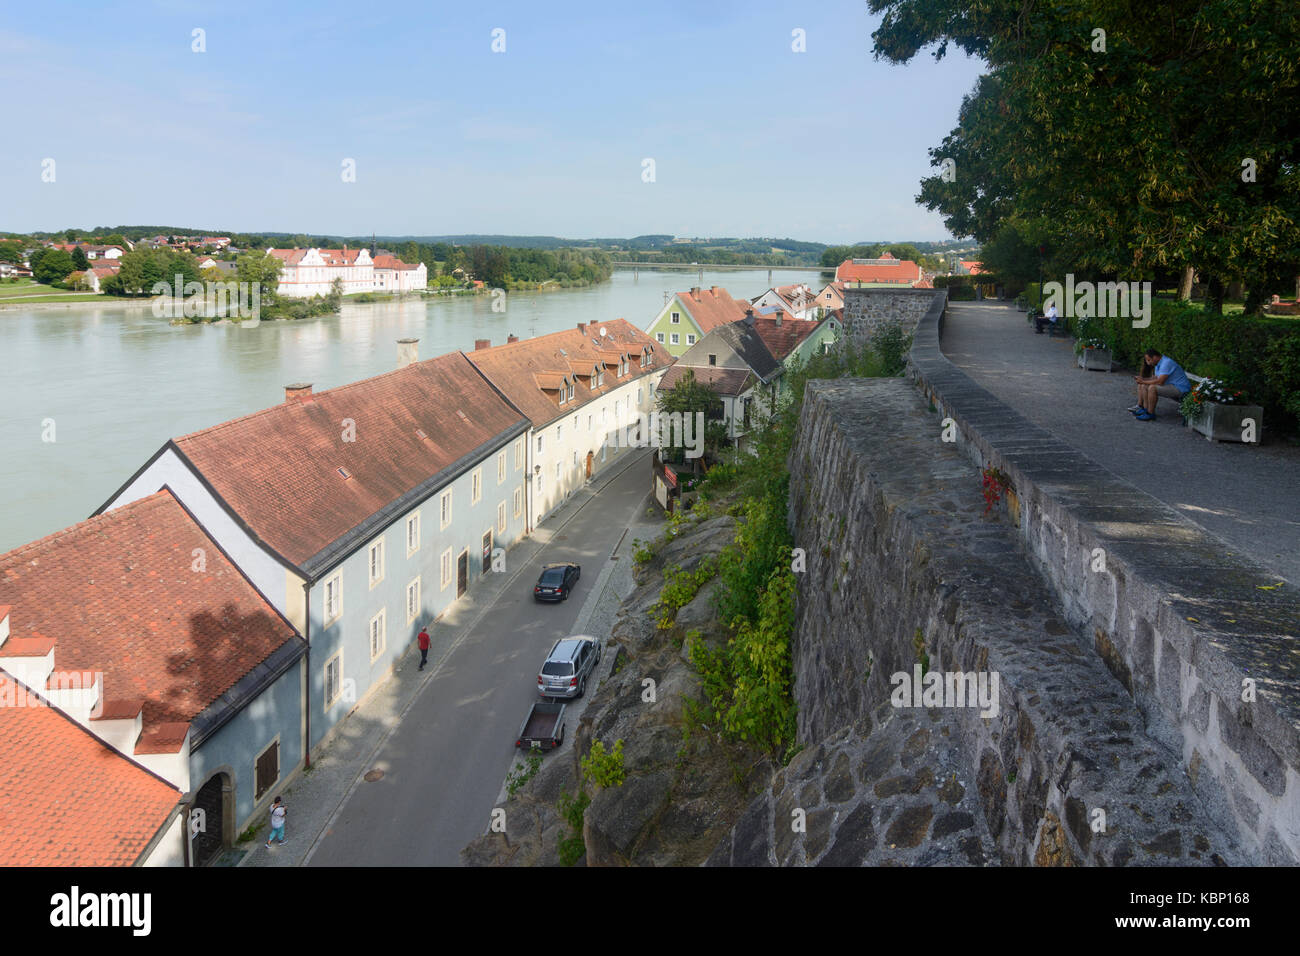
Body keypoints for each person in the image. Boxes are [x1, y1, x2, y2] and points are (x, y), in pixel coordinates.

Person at [1131, 348, 1192, 421]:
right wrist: (1143, 380)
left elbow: (1160, 382)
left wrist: (1143, 381)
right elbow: (1156, 378)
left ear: (1155, 357)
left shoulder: (1166, 363)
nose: (1148, 363)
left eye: (1149, 360)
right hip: (1171, 385)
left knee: (1152, 388)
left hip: (1180, 388)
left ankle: (1151, 414)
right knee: (1143, 385)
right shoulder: (1158, 363)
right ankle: (1145, 410)